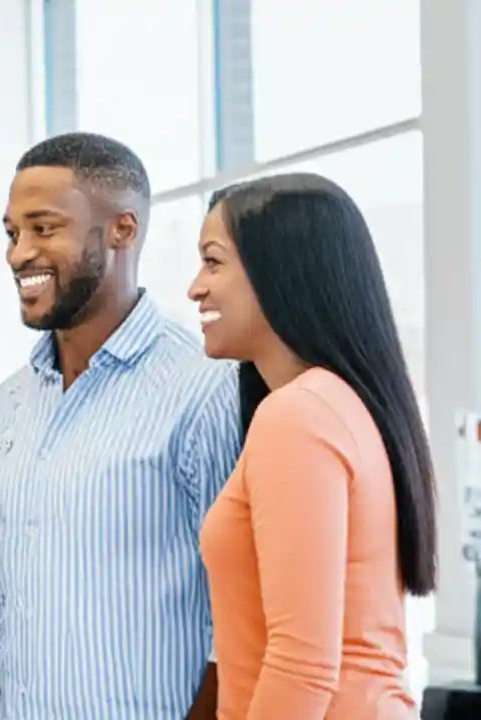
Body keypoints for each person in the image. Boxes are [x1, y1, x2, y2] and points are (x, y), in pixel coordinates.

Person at [0, 132, 242, 719]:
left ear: (123, 230)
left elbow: (237, 614)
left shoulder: (204, 390)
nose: (18, 254)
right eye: (12, 233)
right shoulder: (4, 409)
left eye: (44, 228)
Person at [188, 172, 437, 719]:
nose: (195, 287)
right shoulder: (334, 404)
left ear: (279, 272)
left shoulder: (297, 416)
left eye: (213, 262)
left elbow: (301, 667)